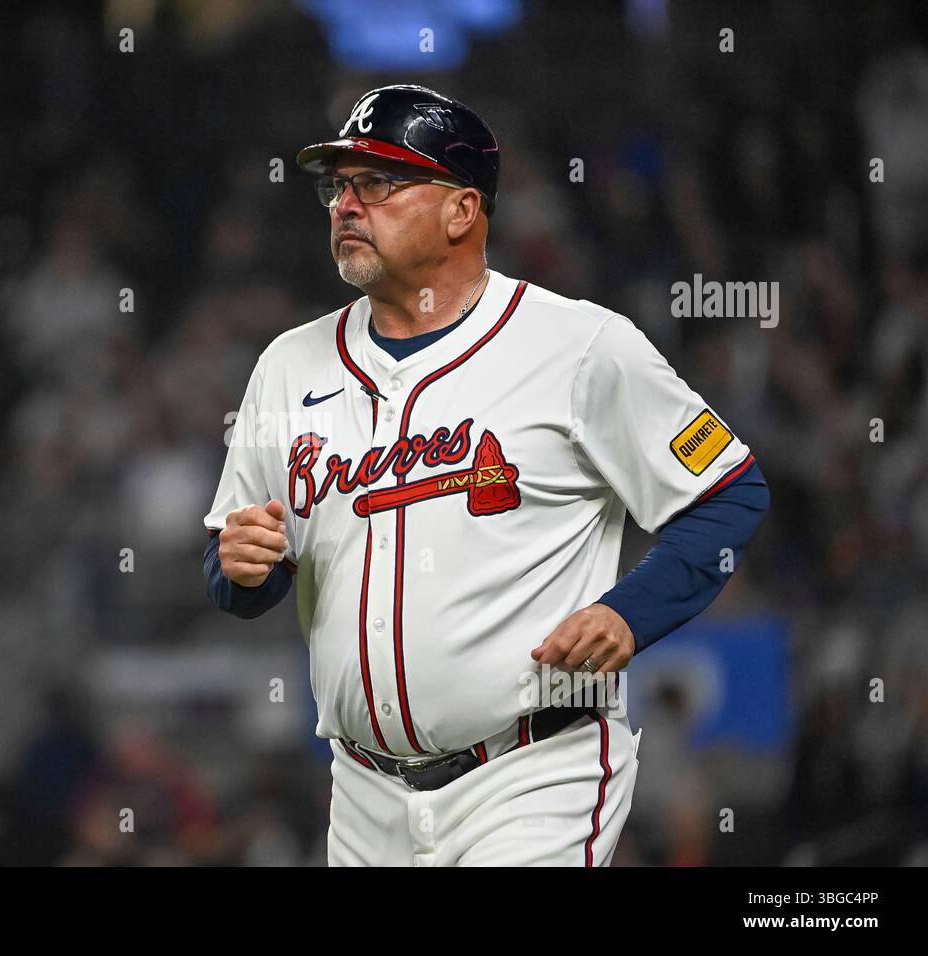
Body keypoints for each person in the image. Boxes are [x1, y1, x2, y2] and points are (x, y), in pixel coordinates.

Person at [202, 85, 769, 866]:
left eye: (379, 182)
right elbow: (242, 577)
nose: (346, 204)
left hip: (533, 770)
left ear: (463, 211)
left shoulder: (580, 347)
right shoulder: (287, 365)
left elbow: (730, 490)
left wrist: (632, 612)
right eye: (339, 185)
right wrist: (239, 569)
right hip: (365, 793)